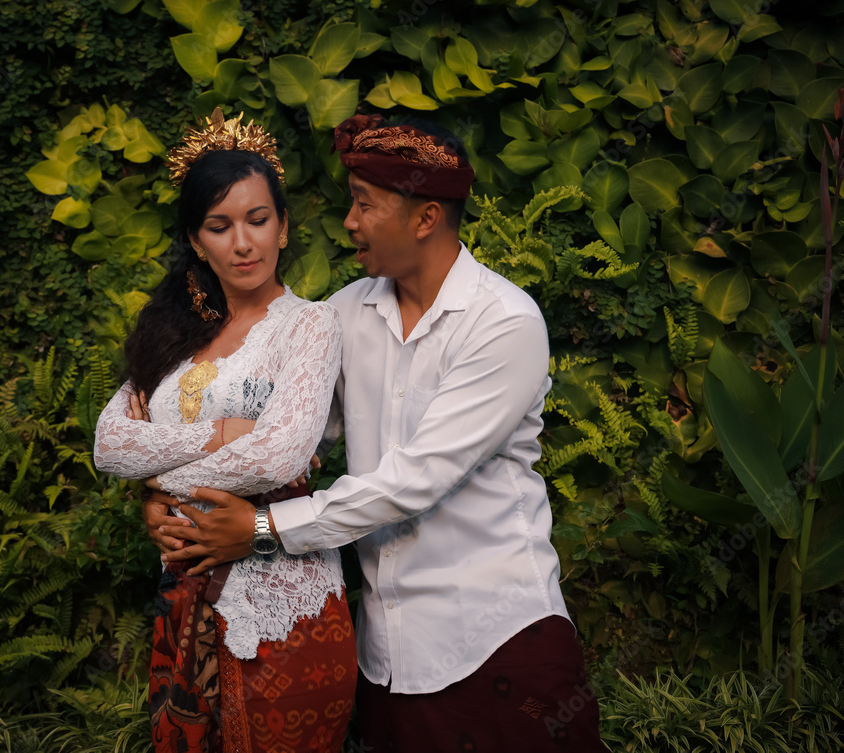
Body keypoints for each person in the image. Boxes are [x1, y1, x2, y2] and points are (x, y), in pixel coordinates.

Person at [145, 114, 606, 751]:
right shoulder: (343, 314)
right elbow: (285, 443)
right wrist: (173, 497)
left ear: (425, 218)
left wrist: (257, 530)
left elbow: (413, 483)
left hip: (497, 637)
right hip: (385, 655)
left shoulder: (502, 323)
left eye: (364, 204)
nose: (349, 222)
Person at [93, 108, 356, 753]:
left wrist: (157, 479)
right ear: (196, 239)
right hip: (183, 596)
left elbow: (279, 454)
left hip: (284, 603)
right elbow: (108, 443)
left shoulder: (310, 328)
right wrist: (213, 437)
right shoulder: (171, 336)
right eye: (220, 226)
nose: (243, 243)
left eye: (258, 220)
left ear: (284, 227)